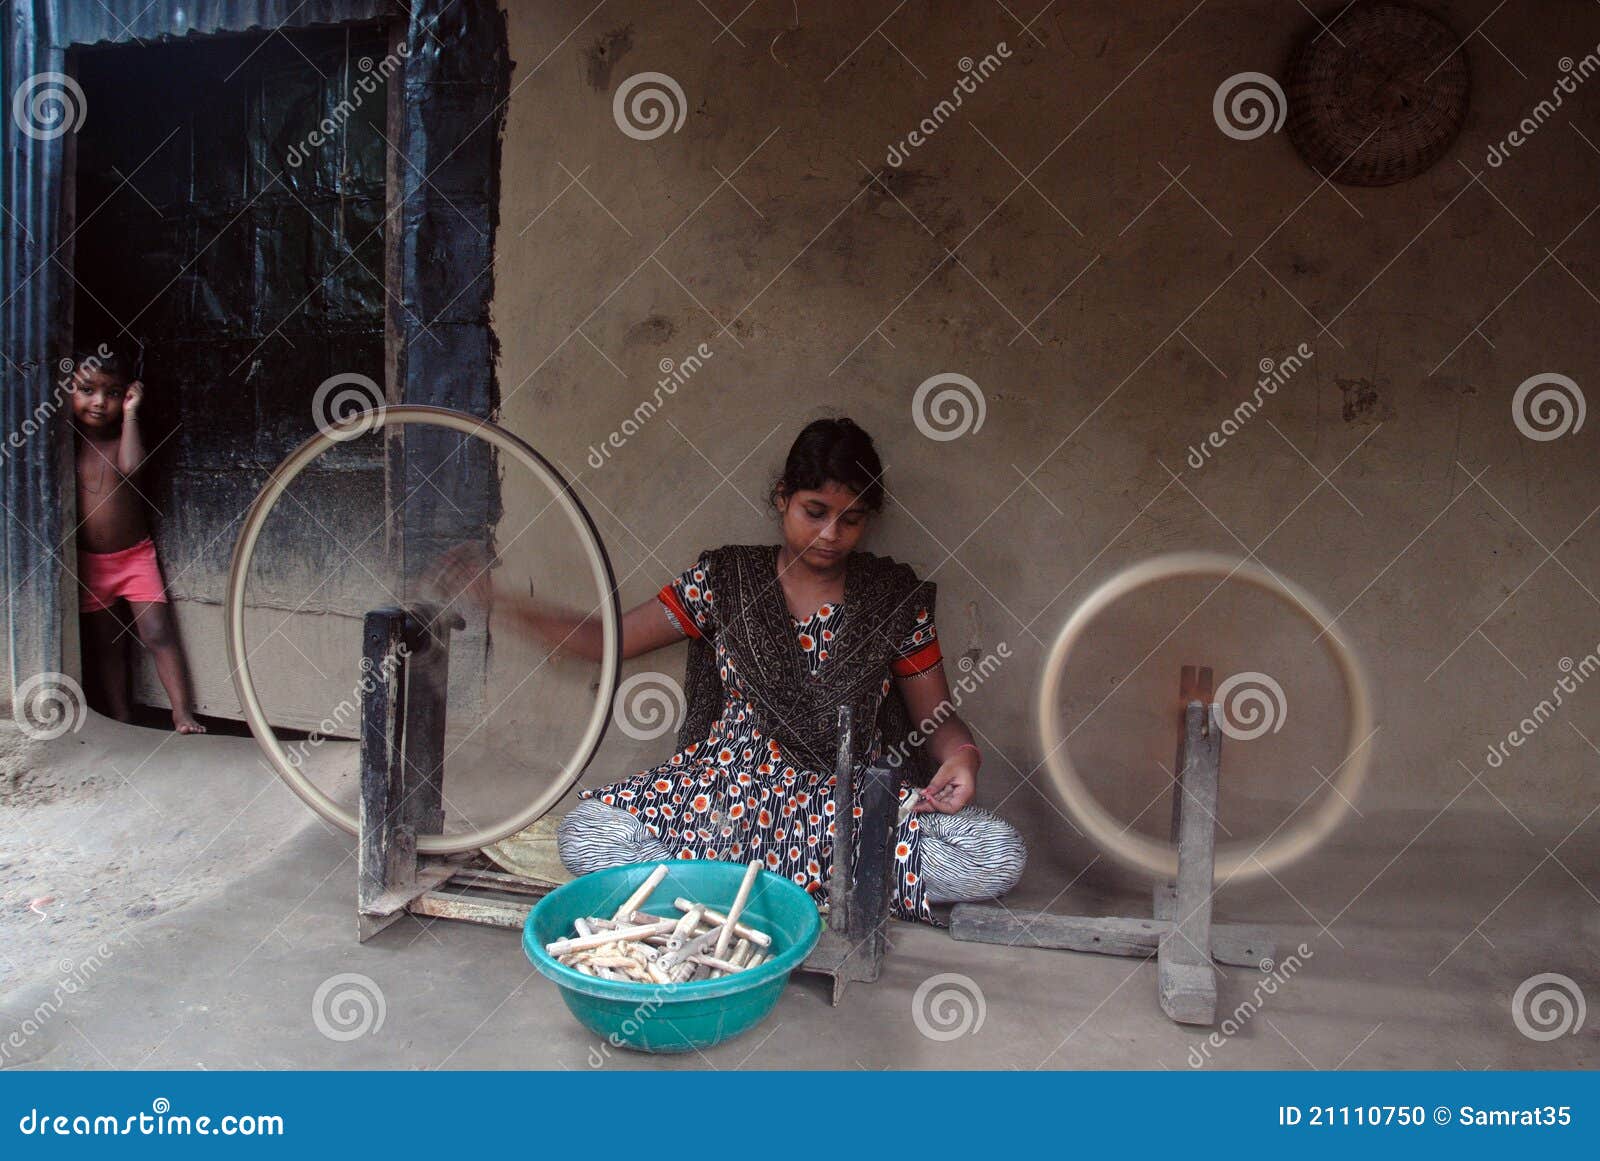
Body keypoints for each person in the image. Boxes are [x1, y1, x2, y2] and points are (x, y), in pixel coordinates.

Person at [435, 417, 1024, 926]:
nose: (829, 535)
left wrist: (961, 757)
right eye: (814, 512)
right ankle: (789, 894)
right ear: (781, 498)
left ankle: (720, 893)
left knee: (995, 853)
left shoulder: (893, 599)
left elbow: (937, 718)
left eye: (851, 519)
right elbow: (600, 640)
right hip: (720, 795)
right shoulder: (723, 581)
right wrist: (500, 601)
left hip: (837, 802)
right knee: (589, 832)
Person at [70, 347, 205, 734]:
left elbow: (131, 467)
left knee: (158, 634)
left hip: (134, 559)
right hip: (89, 564)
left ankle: (181, 713)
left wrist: (131, 414)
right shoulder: (65, 443)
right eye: (87, 390)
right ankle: (121, 716)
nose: (99, 402)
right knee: (108, 645)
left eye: (113, 393)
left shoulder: (119, 442)